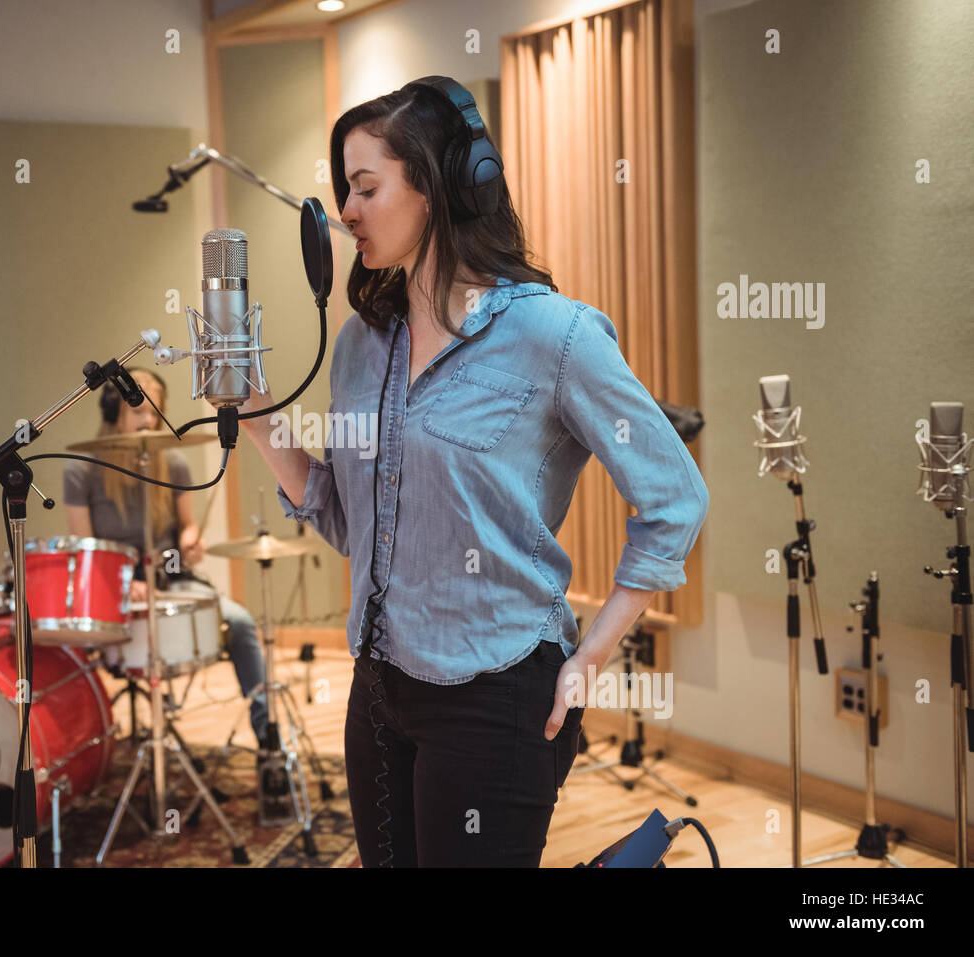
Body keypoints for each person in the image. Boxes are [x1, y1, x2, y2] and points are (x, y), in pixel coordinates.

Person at [236, 77, 709, 866]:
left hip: (497, 695)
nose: (345, 212)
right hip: (380, 689)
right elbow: (347, 520)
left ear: (441, 186)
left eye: (365, 187)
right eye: (342, 190)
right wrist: (253, 410)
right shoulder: (361, 344)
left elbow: (675, 496)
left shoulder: (552, 335)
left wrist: (589, 657)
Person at [62, 368, 269, 746]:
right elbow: (84, 549)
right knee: (61, 640)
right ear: (112, 411)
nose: (149, 419)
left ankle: (267, 737)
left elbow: (186, 526)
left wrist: (191, 542)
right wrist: (126, 584)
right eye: (139, 409)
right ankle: (83, 743)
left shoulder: (172, 462)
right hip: (111, 587)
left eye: (154, 411)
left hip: (169, 576)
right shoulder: (81, 469)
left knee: (240, 623)